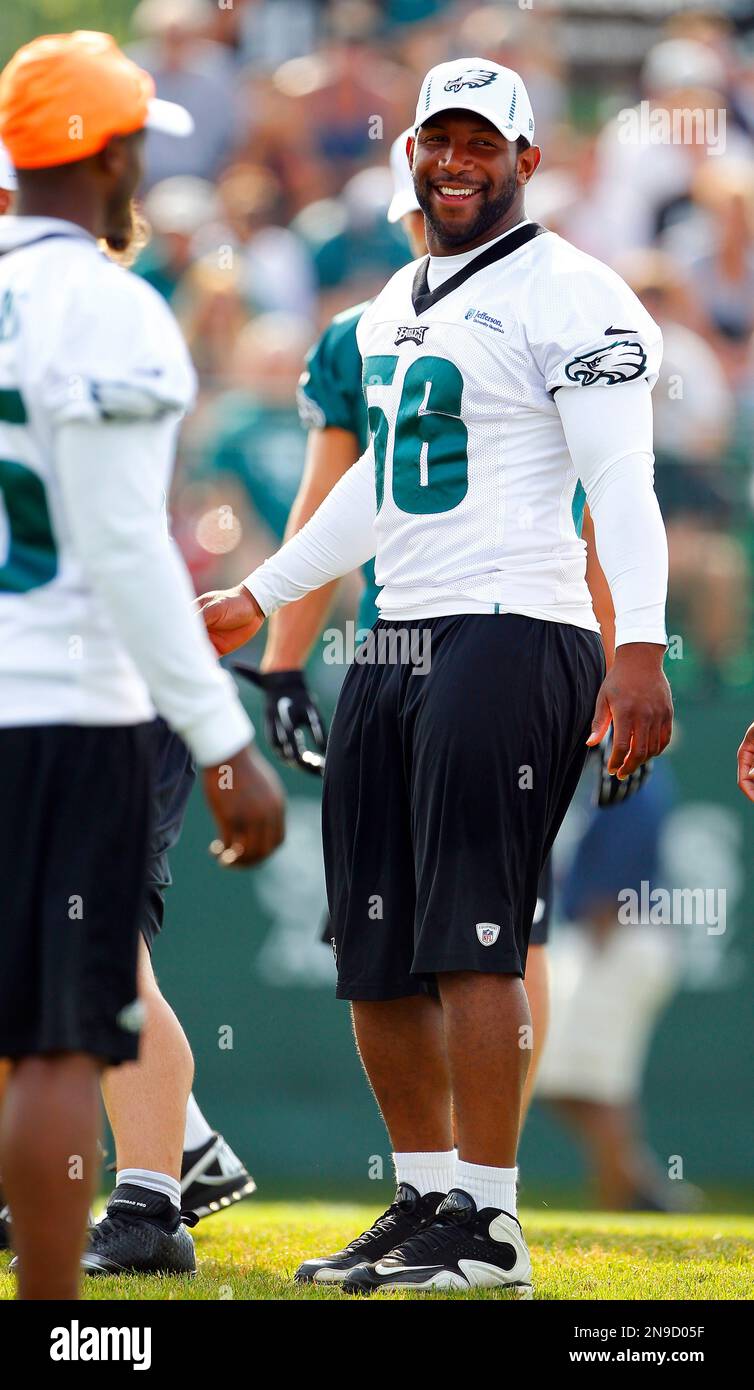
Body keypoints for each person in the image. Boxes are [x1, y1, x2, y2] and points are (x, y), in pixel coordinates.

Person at [198, 57, 673, 1295]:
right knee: (373, 942)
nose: (455, 162)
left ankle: (495, 1223)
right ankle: (425, 1200)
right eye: (436, 141)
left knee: (476, 937)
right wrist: (263, 593)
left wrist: (638, 648)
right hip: (400, 632)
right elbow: (375, 480)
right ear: (408, 152)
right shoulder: (399, 299)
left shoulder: (578, 295)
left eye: (481, 142)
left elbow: (624, 483)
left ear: (524, 156)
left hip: (517, 626)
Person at [0, 30, 284, 1301]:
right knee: (66, 1032)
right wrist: (223, 738)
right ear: (112, 154)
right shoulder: (112, 307)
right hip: (78, 695)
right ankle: (62, 1321)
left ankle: (169, 1173)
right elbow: (121, 541)